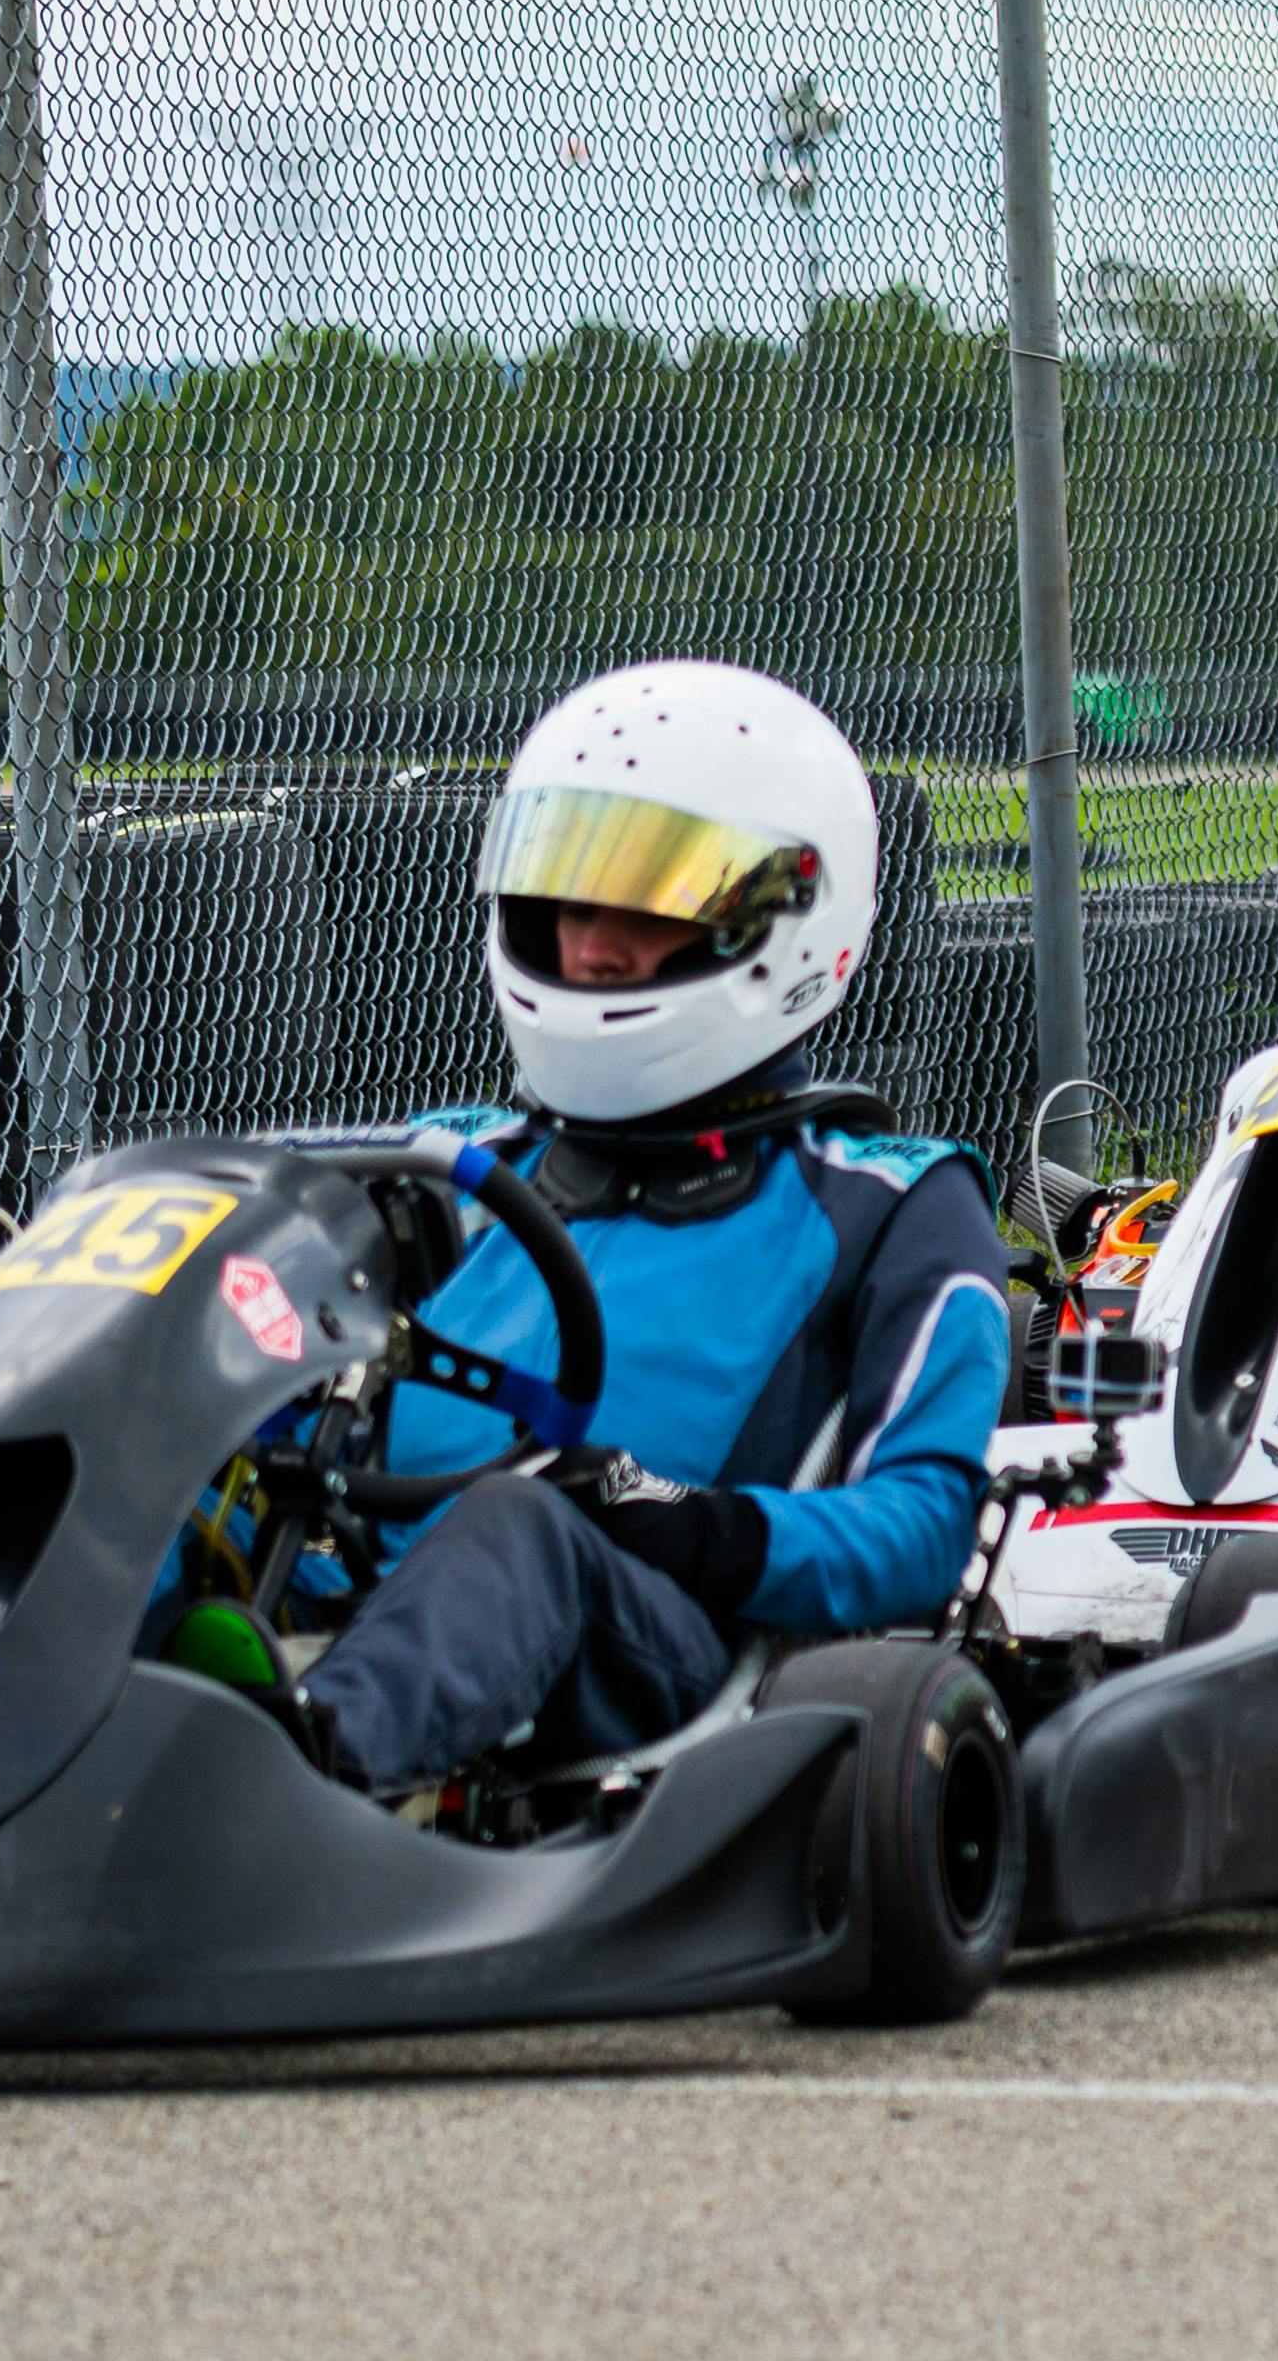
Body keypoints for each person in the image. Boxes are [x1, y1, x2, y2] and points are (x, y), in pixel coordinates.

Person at [298, 659, 1012, 1797]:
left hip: (661, 1655)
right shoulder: (447, 1172)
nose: (591, 950)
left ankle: (294, 1797)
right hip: (362, 1602)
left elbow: (924, 1529)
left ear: (787, 919)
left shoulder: (892, 1204)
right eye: (574, 903)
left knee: (517, 1520)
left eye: (650, 909)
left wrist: (684, 1521)